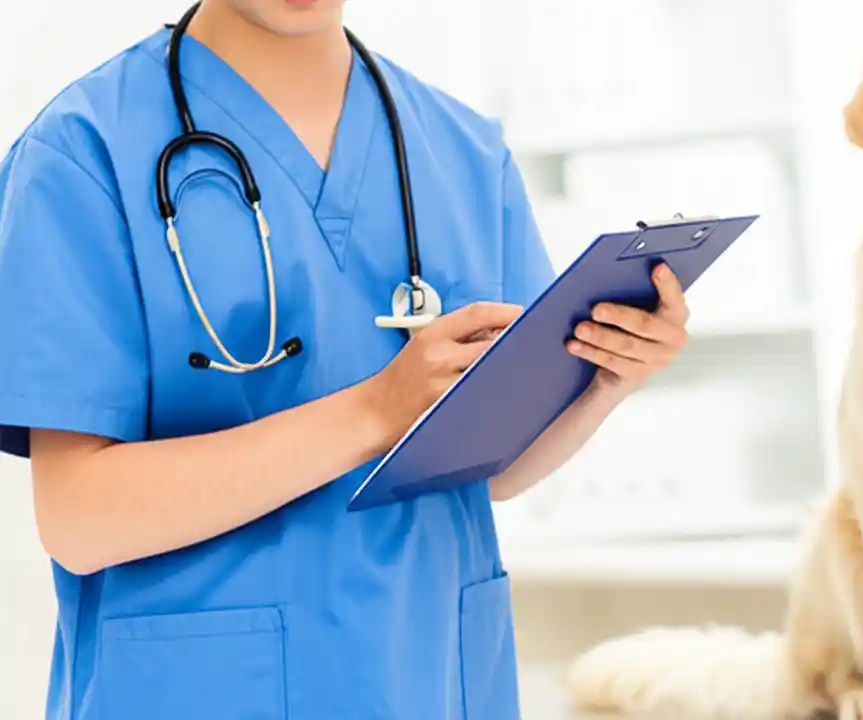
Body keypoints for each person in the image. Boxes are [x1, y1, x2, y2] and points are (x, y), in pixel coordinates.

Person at [0, 1, 690, 718]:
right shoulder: (84, 152)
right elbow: (79, 521)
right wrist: (374, 410)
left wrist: (605, 379)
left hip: (428, 678)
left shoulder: (463, 151)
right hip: (201, 690)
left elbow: (495, 470)